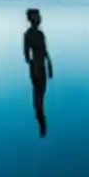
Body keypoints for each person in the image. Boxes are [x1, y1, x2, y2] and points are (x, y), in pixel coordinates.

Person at [23, 8, 53, 137]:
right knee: (39, 98)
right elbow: (27, 55)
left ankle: (42, 123)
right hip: (38, 69)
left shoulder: (38, 34)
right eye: (37, 16)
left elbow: (44, 52)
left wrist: (49, 66)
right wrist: (35, 65)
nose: (40, 18)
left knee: (40, 97)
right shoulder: (30, 34)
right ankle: (42, 125)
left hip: (40, 68)